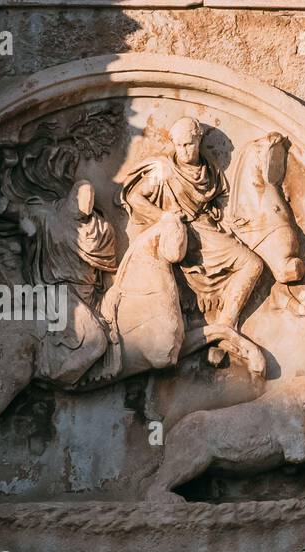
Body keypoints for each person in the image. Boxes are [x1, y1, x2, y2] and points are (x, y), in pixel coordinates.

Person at [120, 116, 267, 369]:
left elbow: (221, 198)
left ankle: (226, 324)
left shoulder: (208, 170)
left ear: (199, 141)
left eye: (189, 144)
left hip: (204, 229)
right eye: (179, 145)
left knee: (252, 264)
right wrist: (164, 217)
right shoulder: (164, 171)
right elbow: (135, 198)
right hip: (176, 235)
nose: (184, 150)